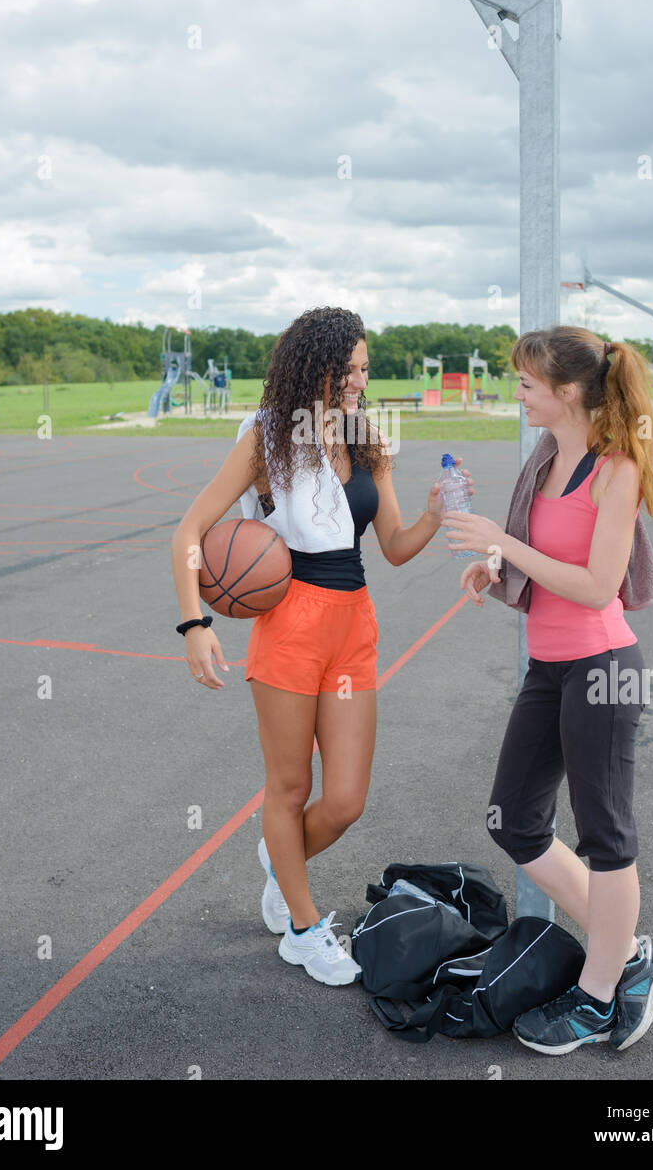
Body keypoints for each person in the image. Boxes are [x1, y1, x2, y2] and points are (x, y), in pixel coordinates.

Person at [170, 306, 473, 986]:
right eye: (352, 370)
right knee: (290, 786)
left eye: (367, 369)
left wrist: (434, 510)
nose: (363, 382)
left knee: (343, 800)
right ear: (318, 369)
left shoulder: (368, 437)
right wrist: (195, 626)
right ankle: (303, 930)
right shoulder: (266, 437)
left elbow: (392, 548)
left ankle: (283, 863)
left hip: (353, 621)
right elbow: (189, 532)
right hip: (290, 620)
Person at [442, 325, 653, 1054]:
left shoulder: (615, 470)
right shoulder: (546, 457)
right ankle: (627, 950)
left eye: (525, 382)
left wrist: (505, 546)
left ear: (567, 390)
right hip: (548, 668)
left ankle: (598, 996)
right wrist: (495, 565)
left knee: (605, 837)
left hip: (601, 667)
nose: (516, 391)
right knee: (511, 819)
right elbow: (546, 558)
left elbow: (596, 584)